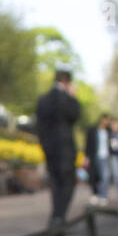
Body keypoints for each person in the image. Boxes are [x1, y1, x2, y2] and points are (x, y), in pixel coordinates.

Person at [35, 68, 81, 224]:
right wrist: (73, 97)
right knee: (68, 183)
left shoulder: (43, 99)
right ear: (67, 82)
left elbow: (39, 126)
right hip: (65, 148)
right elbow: (75, 115)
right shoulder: (66, 99)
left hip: (49, 148)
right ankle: (59, 216)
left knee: (55, 183)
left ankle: (56, 215)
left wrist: (44, 144)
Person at [83, 112, 112, 203]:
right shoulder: (93, 130)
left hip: (106, 157)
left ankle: (103, 195)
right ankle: (95, 194)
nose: (108, 122)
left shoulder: (108, 131)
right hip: (95, 156)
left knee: (105, 176)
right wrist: (86, 157)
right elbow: (88, 144)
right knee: (94, 176)